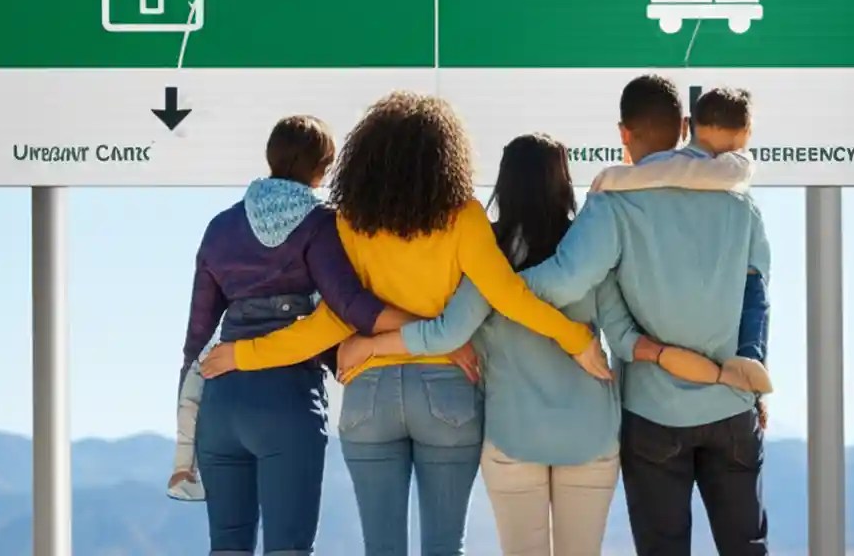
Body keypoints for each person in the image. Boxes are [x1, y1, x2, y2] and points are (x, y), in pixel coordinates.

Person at [201, 92, 611, 556]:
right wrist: (575, 338)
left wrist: (245, 354)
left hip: (368, 393)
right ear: (446, 155)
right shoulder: (464, 216)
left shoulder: (352, 223)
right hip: (446, 390)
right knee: (443, 546)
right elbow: (509, 297)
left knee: (381, 548)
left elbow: (333, 320)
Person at [337, 131, 756, 556]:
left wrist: (371, 346)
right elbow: (623, 336)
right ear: (561, 181)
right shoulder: (588, 247)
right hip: (590, 435)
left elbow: (447, 332)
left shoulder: (490, 251)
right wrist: (678, 357)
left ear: (505, 183)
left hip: (513, 437)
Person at [500, 79, 772, 556]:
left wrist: (496, 291)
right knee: (748, 549)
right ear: (684, 127)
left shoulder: (613, 203)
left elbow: (565, 281)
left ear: (623, 133)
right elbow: (757, 295)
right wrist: (752, 367)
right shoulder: (740, 202)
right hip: (732, 405)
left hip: (652, 414)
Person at [172, 115, 429, 556]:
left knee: (226, 548)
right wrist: (425, 323)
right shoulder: (319, 223)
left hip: (221, 401)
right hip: (286, 399)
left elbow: (197, 337)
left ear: (271, 157)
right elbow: (351, 306)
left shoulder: (219, 228)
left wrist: (188, 417)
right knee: (288, 548)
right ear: (322, 168)